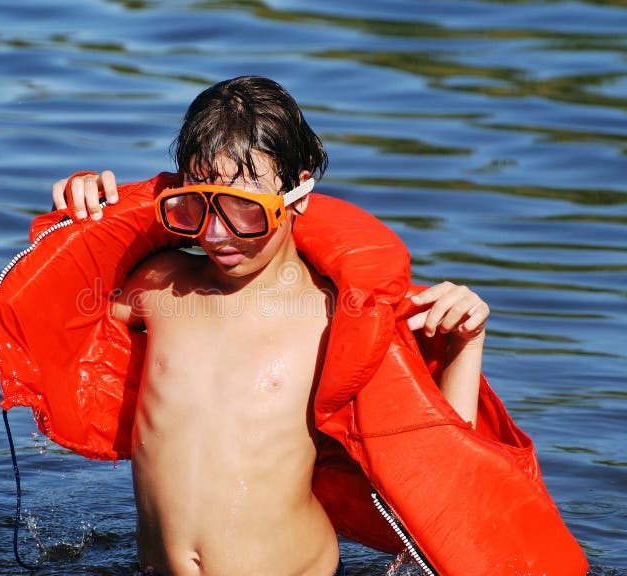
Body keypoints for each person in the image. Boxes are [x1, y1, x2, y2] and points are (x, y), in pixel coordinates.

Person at [49, 76, 488, 576]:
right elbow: (58, 327)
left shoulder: (336, 319)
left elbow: (441, 472)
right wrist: (81, 217)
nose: (217, 234)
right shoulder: (160, 288)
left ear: (298, 193)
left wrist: (465, 344)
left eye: (245, 209)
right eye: (202, 204)